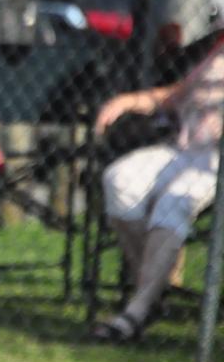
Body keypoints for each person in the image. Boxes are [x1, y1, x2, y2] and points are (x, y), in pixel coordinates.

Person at [89, 39, 224, 343]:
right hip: (182, 149)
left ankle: (136, 313)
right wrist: (128, 101)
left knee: (172, 202)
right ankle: (152, 293)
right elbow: (176, 95)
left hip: (215, 161)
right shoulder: (218, 49)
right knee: (119, 180)